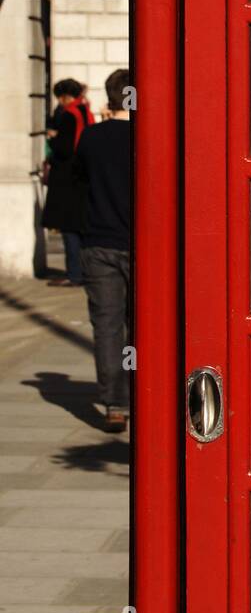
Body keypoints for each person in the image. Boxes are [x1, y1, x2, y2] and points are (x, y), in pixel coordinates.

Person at [75, 68, 132, 432]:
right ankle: (148, 393)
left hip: (98, 243)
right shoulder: (152, 135)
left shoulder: (92, 138)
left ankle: (115, 404)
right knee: (144, 326)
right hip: (145, 245)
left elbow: (78, 181)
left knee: (108, 327)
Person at [41, 79, 94, 286]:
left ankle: (74, 274)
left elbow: (63, 149)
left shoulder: (69, 115)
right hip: (81, 176)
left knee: (69, 229)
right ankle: (82, 271)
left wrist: (53, 139)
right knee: (79, 229)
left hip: (67, 179)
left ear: (64, 96)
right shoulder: (84, 111)